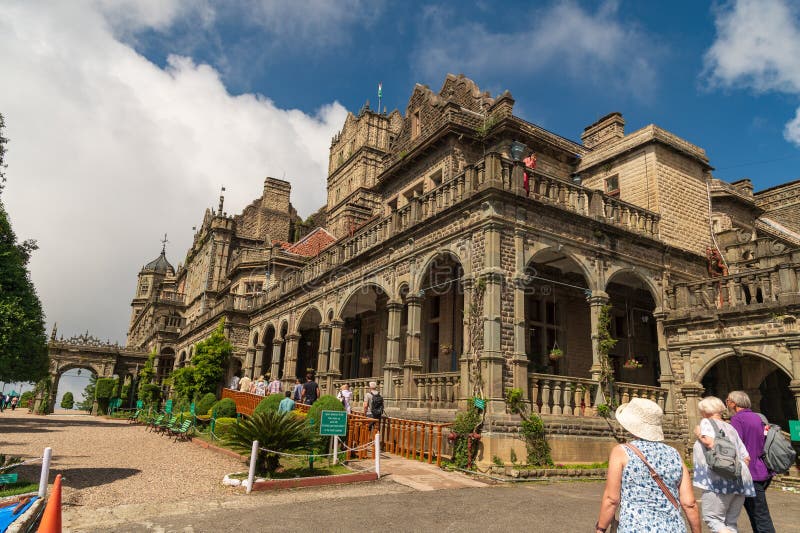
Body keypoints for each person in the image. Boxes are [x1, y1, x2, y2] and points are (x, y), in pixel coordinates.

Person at [595, 398, 701, 533]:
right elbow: (689, 503)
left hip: (635, 528)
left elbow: (611, 499)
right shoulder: (674, 454)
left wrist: (601, 528)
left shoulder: (621, 452)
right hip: (673, 528)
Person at [692, 396, 754, 533]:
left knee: (712, 519)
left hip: (718, 480)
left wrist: (698, 434)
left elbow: (709, 442)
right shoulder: (730, 427)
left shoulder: (706, 422)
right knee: (730, 523)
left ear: (705, 410)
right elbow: (746, 458)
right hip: (741, 478)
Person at [727, 391, 776, 533]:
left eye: (727, 401)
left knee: (759, 515)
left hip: (750, 472)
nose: (726, 404)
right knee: (757, 514)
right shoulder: (758, 417)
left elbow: (736, 446)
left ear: (733, 403)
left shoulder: (737, 419)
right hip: (763, 469)